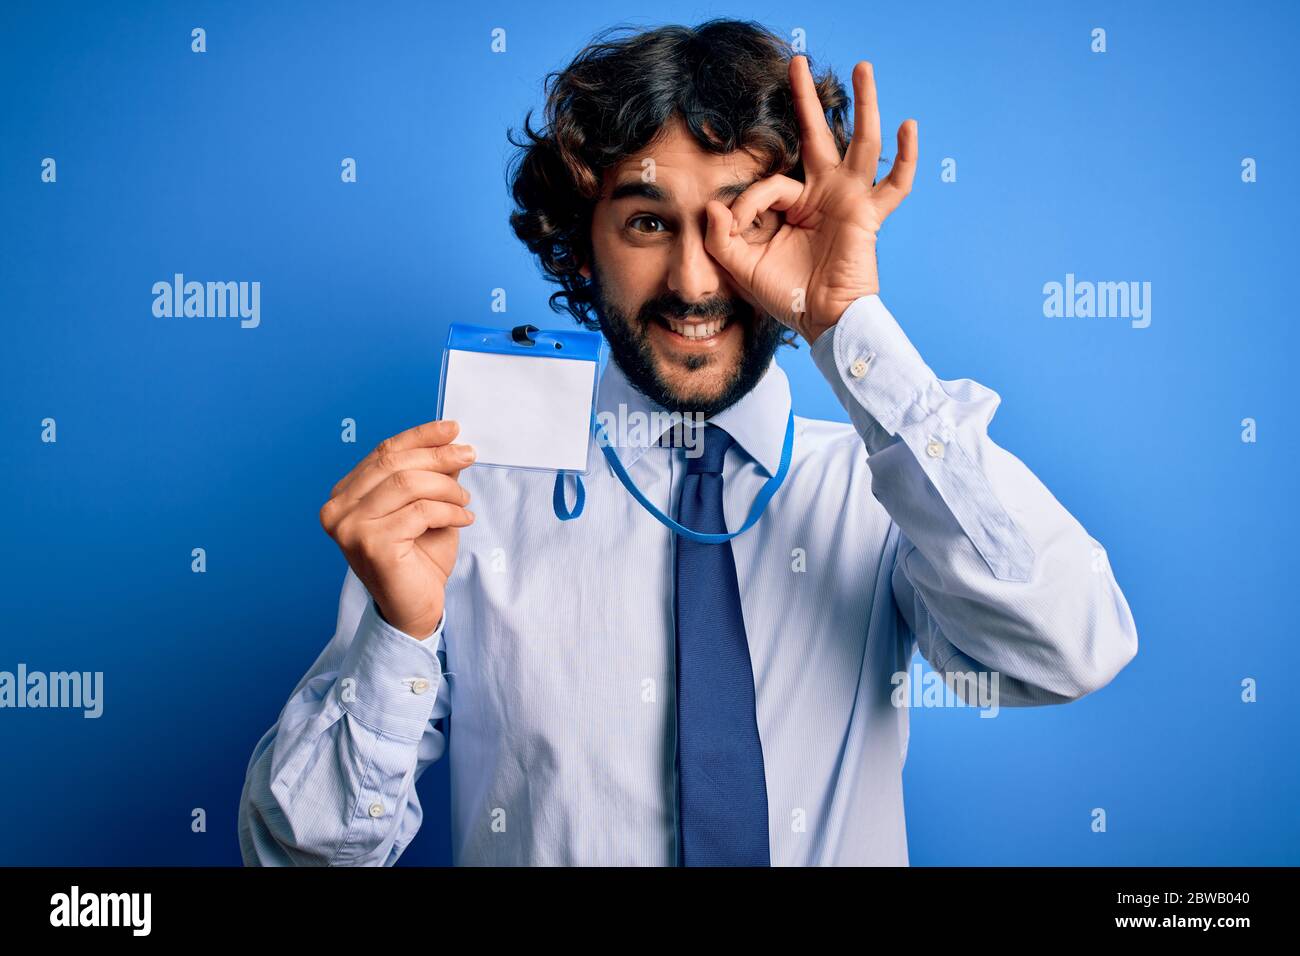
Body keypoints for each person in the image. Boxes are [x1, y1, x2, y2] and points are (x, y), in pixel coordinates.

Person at [238, 18, 1138, 866]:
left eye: (745, 220)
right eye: (648, 222)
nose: (697, 278)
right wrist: (399, 631)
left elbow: (1068, 649)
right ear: (581, 251)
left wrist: (849, 323)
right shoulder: (465, 510)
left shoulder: (886, 489)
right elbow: (295, 855)